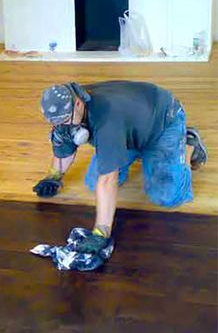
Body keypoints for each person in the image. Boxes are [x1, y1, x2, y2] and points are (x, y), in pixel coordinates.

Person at [33, 80, 207, 253]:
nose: (62, 126)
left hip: (162, 122)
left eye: (64, 121)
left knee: (167, 196)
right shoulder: (68, 107)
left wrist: (101, 233)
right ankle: (138, 148)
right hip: (129, 127)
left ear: (78, 104)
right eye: (56, 123)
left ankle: (188, 142)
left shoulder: (106, 118)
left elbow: (108, 179)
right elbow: (65, 147)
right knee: (94, 183)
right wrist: (53, 176)